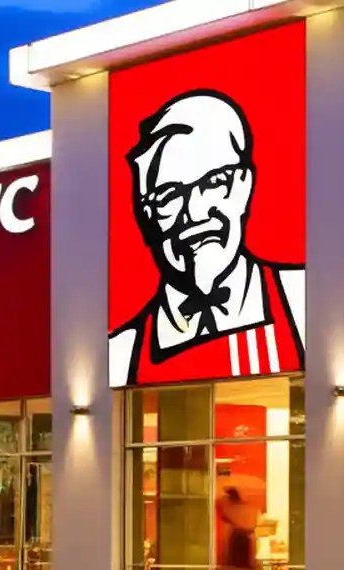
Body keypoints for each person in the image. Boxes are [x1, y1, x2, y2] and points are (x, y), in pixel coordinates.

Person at [109, 89, 305, 388]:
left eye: (214, 182)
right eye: (168, 196)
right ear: (146, 217)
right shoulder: (121, 355)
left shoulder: (305, 301)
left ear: (244, 186)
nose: (196, 212)